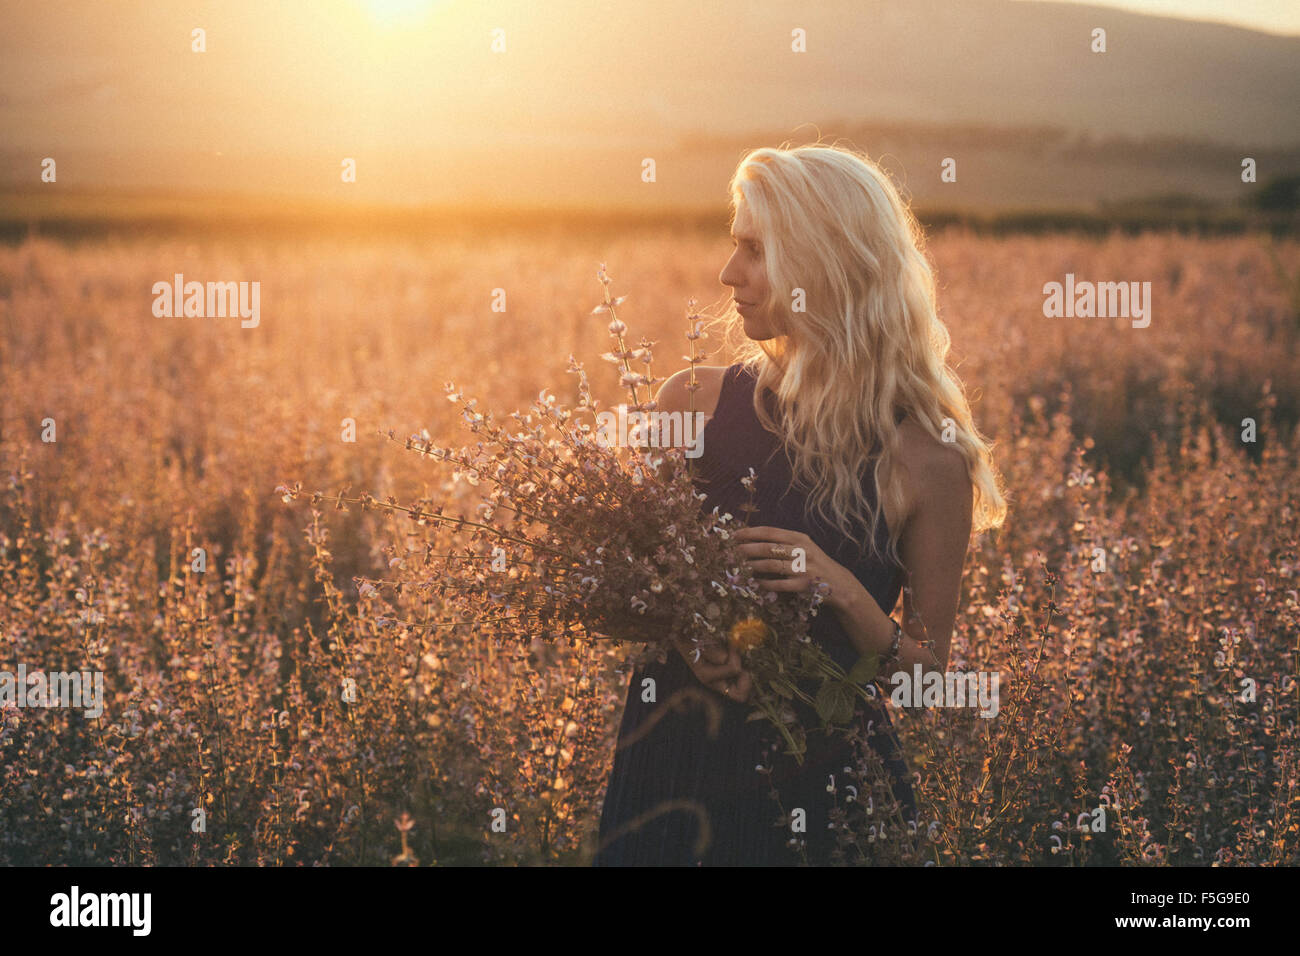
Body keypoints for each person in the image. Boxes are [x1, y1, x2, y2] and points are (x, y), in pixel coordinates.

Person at [593, 144, 1008, 866]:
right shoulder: (688, 405)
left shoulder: (929, 460)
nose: (728, 274)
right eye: (733, 245)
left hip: (828, 798)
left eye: (755, 250)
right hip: (668, 768)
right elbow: (617, 588)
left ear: (825, 265)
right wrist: (694, 636)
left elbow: (925, 678)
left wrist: (845, 594)